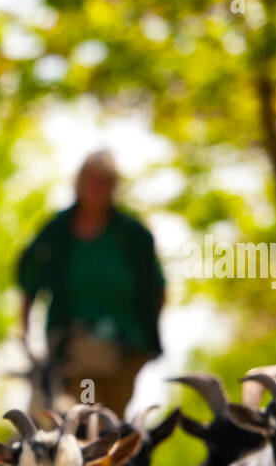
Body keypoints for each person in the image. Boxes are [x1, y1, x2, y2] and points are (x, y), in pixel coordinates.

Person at [16, 150, 165, 417]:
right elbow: (29, 281)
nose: (97, 189)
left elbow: (157, 288)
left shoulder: (133, 234)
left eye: (105, 182)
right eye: (92, 181)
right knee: (84, 415)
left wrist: (146, 335)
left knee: (113, 422)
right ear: (79, 183)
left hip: (125, 351)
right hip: (73, 351)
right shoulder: (57, 231)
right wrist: (26, 337)